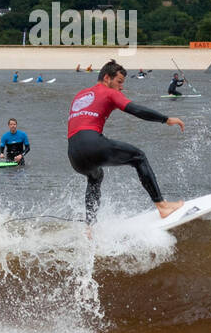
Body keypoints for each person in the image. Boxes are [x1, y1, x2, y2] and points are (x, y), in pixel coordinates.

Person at [67, 60, 185, 226]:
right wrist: (166, 119)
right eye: (119, 82)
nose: (121, 87)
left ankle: (90, 226)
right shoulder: (109, 92)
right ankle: (162, 206)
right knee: (139, 157)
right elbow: (135, 109)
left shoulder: (80, 95)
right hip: (91, 143)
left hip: (74, 155)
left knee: (95, 177)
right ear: (107, 78)